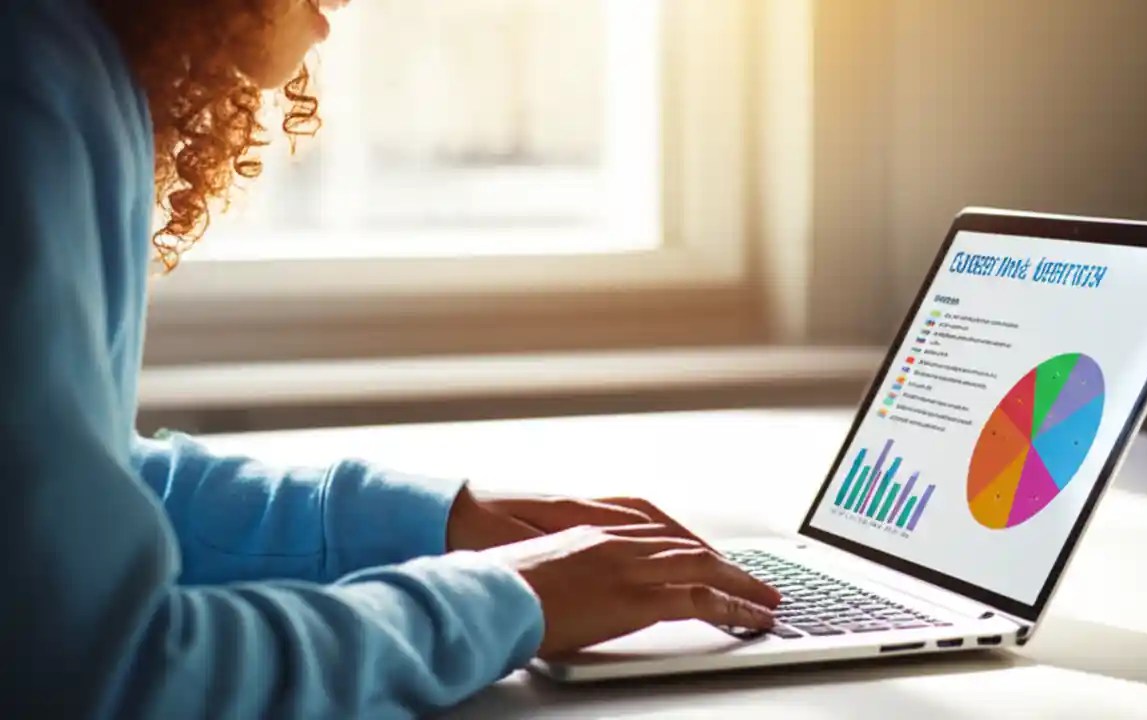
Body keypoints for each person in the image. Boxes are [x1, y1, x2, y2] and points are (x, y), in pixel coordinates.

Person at [0, 0, 780, 716]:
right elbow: (107, 671)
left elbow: (97, 491)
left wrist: (433, 523)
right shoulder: (29, 79)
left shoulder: (75, 55)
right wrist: (502, 598)